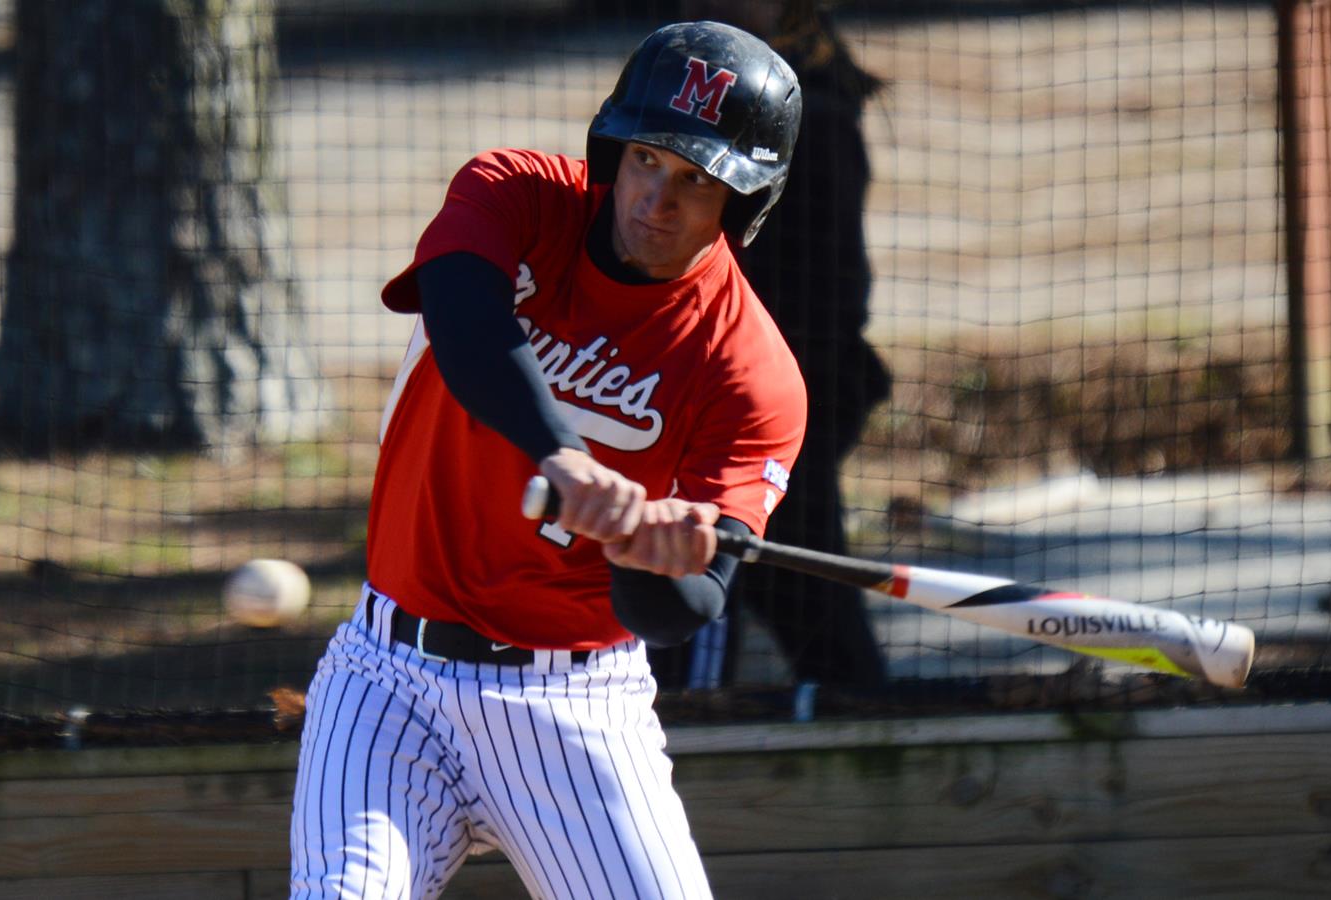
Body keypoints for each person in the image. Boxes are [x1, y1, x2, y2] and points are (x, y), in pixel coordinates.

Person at [289, 21, 807, 899]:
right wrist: (562, 455)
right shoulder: (516, 194)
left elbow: (687, 607)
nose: (657, 198)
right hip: (387, 678)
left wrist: (644, 555)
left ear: (744, 201)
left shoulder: (751, 372)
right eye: (646, 159)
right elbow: (465, 323)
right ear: (614, 148)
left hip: (575, 703)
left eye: (696, 179)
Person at [653, 1, 892, 692]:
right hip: (726, 407)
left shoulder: (813, 119)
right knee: (800, 614)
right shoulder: (702, 93)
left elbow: (834, 294)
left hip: (766, 415)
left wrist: (748, 392)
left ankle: (875, 733)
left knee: (789, 613)